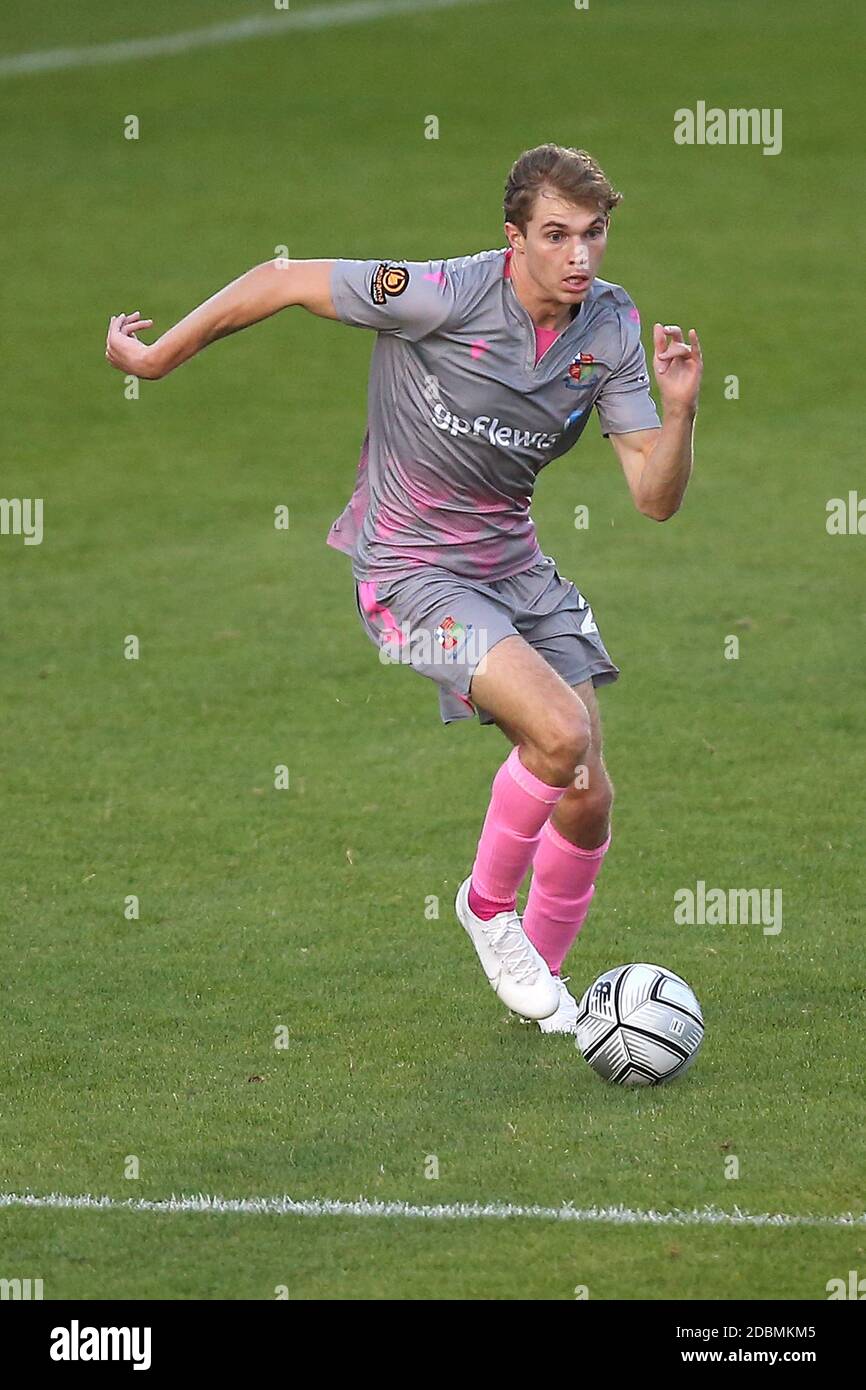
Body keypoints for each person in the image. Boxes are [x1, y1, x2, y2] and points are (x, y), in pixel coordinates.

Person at [105, 143, 702, 1034]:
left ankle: (543, 1000)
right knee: (560, 731)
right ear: (514, 239)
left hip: (515, 572)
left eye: (595, 234)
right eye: (557, 235)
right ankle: (487, 910)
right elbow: (283, 279)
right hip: (409, 578)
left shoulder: (610, 330)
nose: (579, 255)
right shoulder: (438, 294)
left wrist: (681, 408)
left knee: (586, 793)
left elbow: (655, 501)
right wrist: (158, 361)